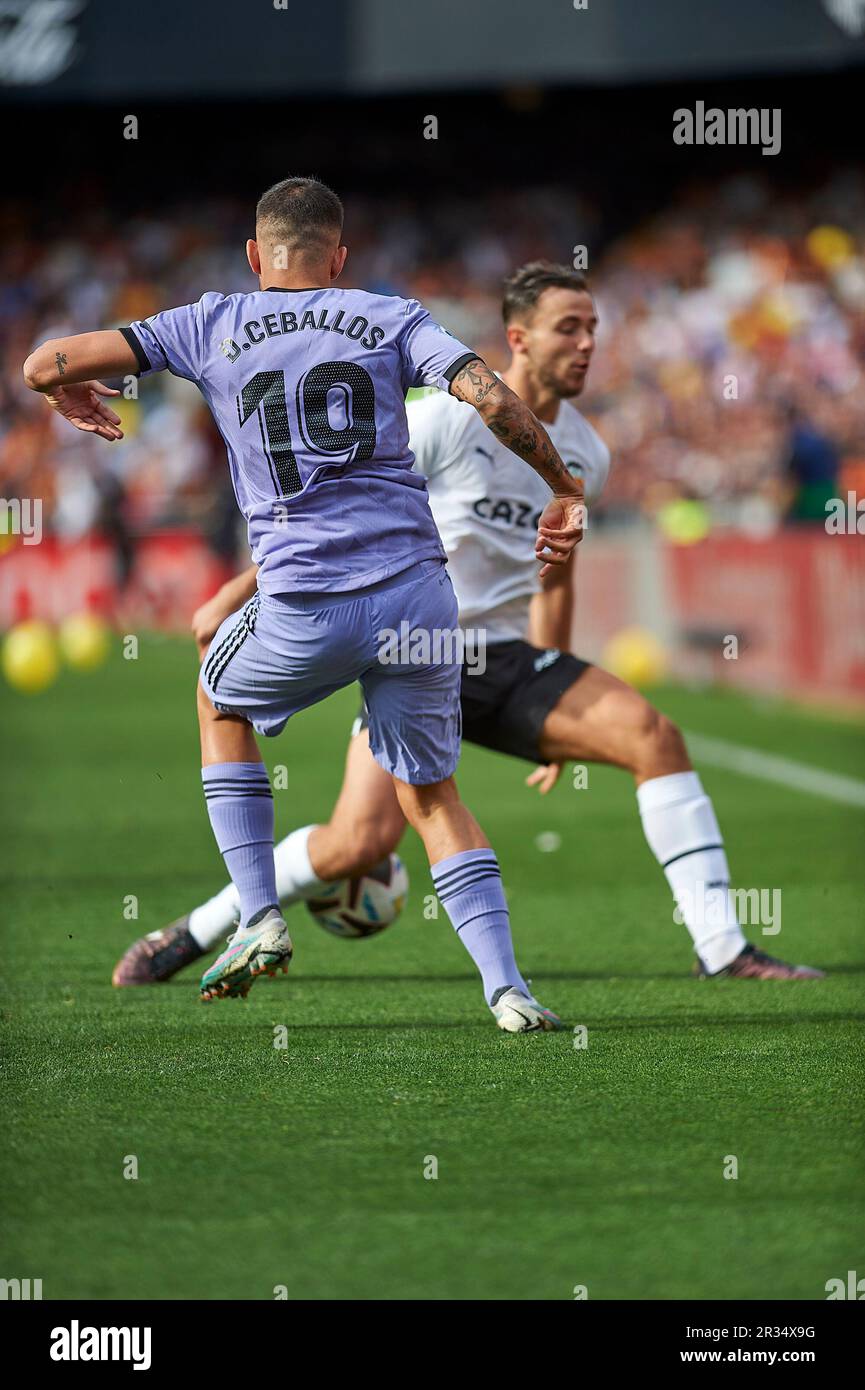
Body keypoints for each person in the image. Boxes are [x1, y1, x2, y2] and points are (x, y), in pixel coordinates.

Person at [114, 261, 823, 987]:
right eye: (567, 328)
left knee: (655, 738)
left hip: (505, 662)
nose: (586, 345)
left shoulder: (585, 452)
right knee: (356, 844)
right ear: (518, 337)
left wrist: (553, 700)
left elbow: (555, 577)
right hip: (414, 648)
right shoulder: (443, 418)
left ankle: (724, 950)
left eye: (593, 330)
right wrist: (238, 590)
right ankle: (196, 930)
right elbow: (336, 512)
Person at [23, 181, 587, 1031]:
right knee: (432, 797)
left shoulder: (204, 323)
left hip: (305, 601)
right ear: (341, 257)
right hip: (417, 598)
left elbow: (43, 363)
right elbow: (494, 400)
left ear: (256, 257)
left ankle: (258, 914)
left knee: (219, 696)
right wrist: (562, 487)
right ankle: (506, 989)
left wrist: (64, 390)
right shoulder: (391, 317)